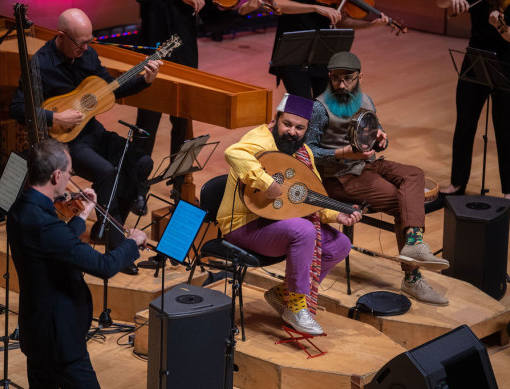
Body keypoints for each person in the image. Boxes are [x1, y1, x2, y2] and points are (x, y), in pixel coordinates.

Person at [9, 8, 160, 274]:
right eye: (80, 43)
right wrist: (55, 118)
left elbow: (111, 87)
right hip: (65, 142)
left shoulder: (88, 54)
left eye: (89, 41)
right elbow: (18, 108)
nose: (86, 48)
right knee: (107, 172)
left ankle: (106, 229)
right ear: (61, 36)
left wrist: (144, 81)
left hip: (93, 133)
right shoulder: (40, 64)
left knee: (141, 162)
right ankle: (117, 251)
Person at [307, 52, 450, 306]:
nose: (342, 85)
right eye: (336, 79)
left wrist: (382, 139)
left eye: (348, 79)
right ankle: (413, 277)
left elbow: (376, 134)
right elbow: (308, 153)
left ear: (359, 77)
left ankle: (414, 244)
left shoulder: (366, 100)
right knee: (401, 203)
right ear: (329, 76)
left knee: (414, 173)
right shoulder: (319, 108)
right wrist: (342, 154)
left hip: (367, 165)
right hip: (339, 177)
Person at [217, 93, 362, 335]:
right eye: (287, 124)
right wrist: (265, 182)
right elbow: (233, 152)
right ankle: (295, 305)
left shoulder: (303, 152)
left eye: (299, 128)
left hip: (276, 220)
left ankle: (283, 292)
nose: (292, 132)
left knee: (340, 244)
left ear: (307, 129)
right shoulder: (260, 139)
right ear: (276, 120)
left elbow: (309, 195)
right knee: (303, 231)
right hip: (243, 224)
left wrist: (336, 215)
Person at [7, 138, 147, 388]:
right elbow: (103, 266)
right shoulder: (44, 224)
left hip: (36, 331)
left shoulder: (20, 208)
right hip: (59, 340)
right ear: (56, 175)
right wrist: (132, 242)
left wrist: (83, 214)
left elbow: (53, 245)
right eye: (70, 171)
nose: (71, 175)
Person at [436, 0, 510, 210]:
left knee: (505, 126)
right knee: (465, 121)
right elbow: (440, 4)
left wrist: (500, 26)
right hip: (476, 57)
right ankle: (457, 182)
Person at [133, 0, 205, 211]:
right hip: (154, 43)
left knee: (184, 121)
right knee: (146, 123)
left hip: (185, 48)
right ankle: (137, 187)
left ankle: (180, 182)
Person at [269, 0, 391, 99]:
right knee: (301, 106)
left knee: (323, 107)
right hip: (292, 51)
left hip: (322, 52)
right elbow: (277, 4)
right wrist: (315, 7)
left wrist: (369, 25)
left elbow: (341, 20)